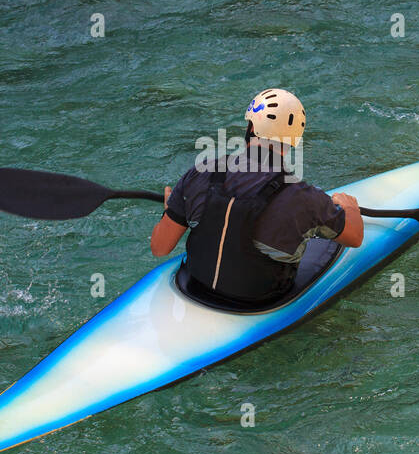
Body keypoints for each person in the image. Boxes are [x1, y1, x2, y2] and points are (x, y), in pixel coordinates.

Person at [150, 88, 364, 304]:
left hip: (196, 286)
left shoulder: (200, 172)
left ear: (251, 127)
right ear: (294, 141)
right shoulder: (305, 198)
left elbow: (159, 248)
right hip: (257, 301)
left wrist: (172, 211)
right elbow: (355, 238)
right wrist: (350, 208)